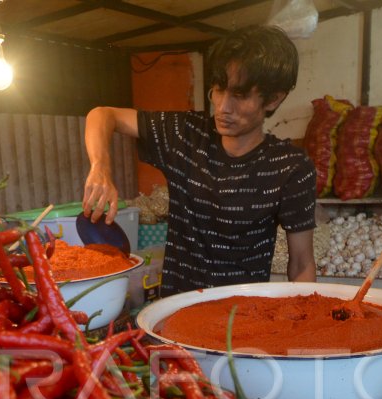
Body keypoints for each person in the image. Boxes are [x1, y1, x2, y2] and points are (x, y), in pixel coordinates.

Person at [82, 25, 317, 297]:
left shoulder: (290, 167)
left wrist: (305, 321)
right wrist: (101, 168)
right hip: (177, 310)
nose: (223, 107)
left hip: (244, 317)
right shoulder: (186, 135)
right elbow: (102, 115)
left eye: (239, 96)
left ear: (274, 99)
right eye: (218, 89)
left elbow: (301, 263)